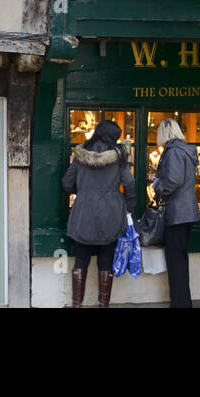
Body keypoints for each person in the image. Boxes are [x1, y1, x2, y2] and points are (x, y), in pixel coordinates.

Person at [61, 118, 135, 308]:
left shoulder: (81, 156)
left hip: (83, 213)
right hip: (111, 213)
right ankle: (103, 305)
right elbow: (129, 183)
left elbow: (66, 183)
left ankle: (77, 305)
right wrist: (130, 206)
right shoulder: (119, 157)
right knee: (105, 262)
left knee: (81, 261)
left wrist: (84, 191)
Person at [150, 117, 200, 307]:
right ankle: (182, 302)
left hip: (178, 213)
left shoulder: (173, 152)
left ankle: (180, 304)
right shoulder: (185, 151)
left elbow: (173, 182)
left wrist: (157, 184)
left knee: (175, 261)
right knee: (179, 259)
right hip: (187, 212)